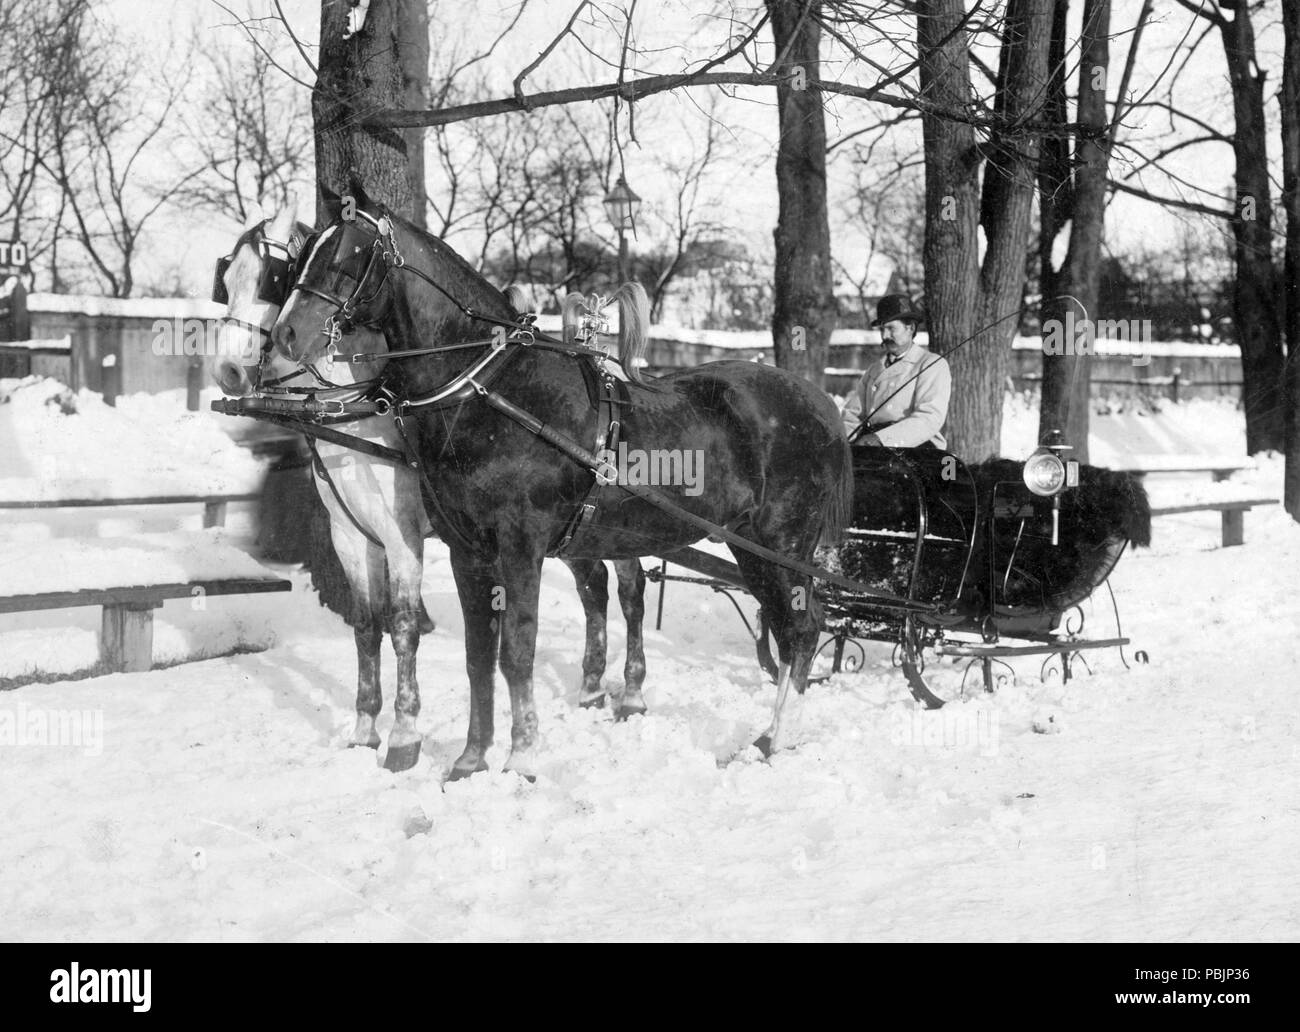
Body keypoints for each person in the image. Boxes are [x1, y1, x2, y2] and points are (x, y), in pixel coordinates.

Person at [841, 293, 951, 449]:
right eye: (882, 330)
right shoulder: (874, 370)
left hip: (914, 448)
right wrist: (840, 441)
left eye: (891, 328)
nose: (885, 336)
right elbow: (853, 415)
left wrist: (880, 439)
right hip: (871, 445)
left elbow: (929, 418)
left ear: (910, 328)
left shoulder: (931, 365)